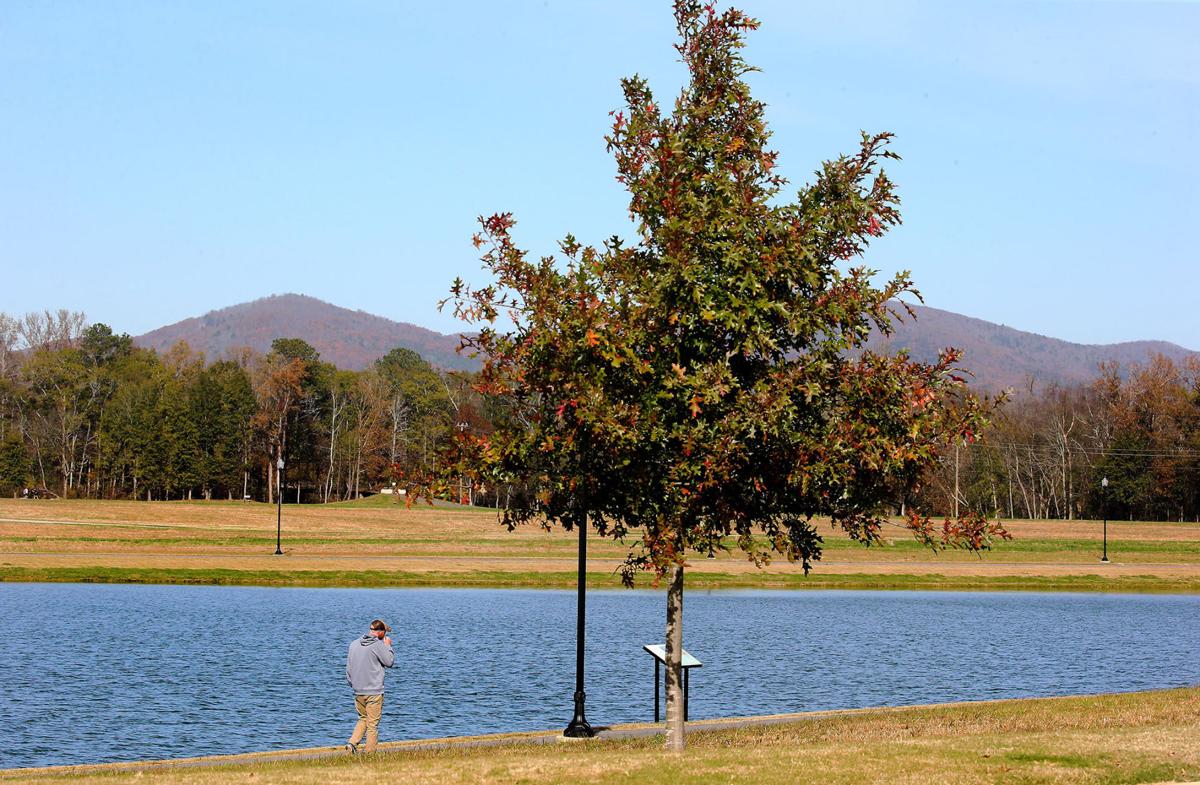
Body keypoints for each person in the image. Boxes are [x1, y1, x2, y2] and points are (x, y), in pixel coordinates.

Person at [345, 618, 395, 754]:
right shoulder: (378, 645)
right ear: (380, 632)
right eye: (385, 633)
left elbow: (348, 669)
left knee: (363, 718)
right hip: (374, 691)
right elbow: (389, 662)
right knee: (372, 725)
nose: (385, 636)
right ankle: (370, 754)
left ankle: (352, 744)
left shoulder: (354, 644)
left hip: (358, 690)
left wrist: (353, 684)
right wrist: (388, 646)